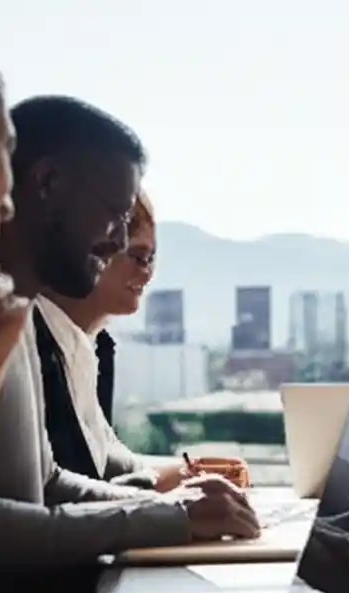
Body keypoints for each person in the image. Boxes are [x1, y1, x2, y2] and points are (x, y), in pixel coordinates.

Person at [0, 36, 247, 593]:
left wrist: (168, 512)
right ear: (47, 183)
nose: (4, 201)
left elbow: (39, 486)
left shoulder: (3, 317)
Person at [34, 190, 246, 490]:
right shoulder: (33, 343)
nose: (147, 274)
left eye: (151, 259)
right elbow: (59, 491)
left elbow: (111, 465)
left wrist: (192, 474)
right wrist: (181, 506)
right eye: (138, 257)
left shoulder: (92, 347)